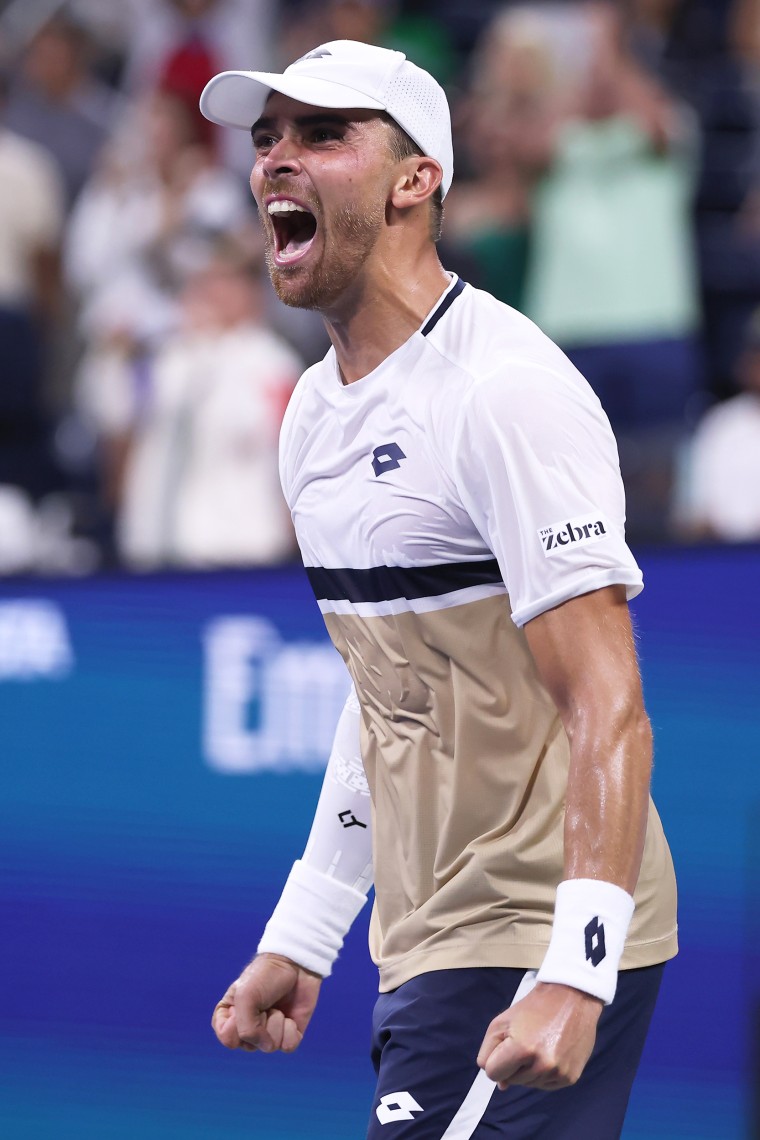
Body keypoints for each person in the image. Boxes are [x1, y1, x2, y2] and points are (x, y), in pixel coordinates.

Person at [199, 40, 678, 1138]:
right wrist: (307, 929)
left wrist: (577, 970)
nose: (276, 158)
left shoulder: (505, 392)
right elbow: (388, 697)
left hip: (538, 930)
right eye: (266, 136)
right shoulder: (313, 417)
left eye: (322, 134)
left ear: (417, 181)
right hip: (430, 939)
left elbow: (609, 705)